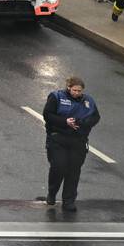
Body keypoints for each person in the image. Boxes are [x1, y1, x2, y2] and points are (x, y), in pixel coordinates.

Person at [42, 76, 101, 213]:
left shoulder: (88, 101)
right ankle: (52, 193)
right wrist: (65, 122)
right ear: (68, 87)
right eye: (74, 90)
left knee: (74, 171)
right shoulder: (56, 97)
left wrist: (82, 123)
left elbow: (95, 117)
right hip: (58, 138)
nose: (77, 93)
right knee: (59, 166)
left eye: (79, 91)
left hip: (78, 141)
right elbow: (48, 115)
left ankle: (69, 201)